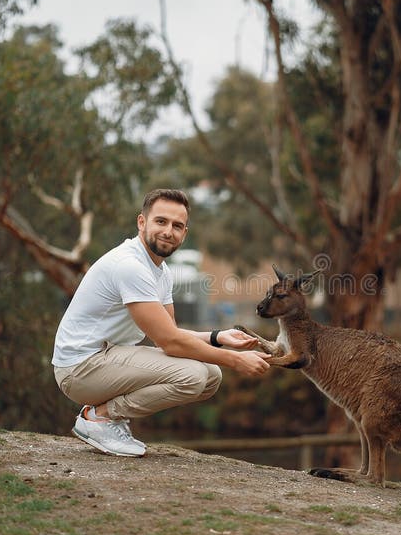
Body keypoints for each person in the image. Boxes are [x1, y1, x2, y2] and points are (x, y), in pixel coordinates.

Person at [52, 187, 270, 457]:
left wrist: (217, 337)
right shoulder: (130, 265)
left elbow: (168, 334)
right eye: (161, 221)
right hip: (79, 369)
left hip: (108, 357)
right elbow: (170, 342)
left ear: (184, 234)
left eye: (177, 225)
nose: (168, 231)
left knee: (211, 376)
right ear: (141, 222)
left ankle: (104, 418)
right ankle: (99, 419)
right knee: (193, 375)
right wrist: (236, 360)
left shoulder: (160, 270)